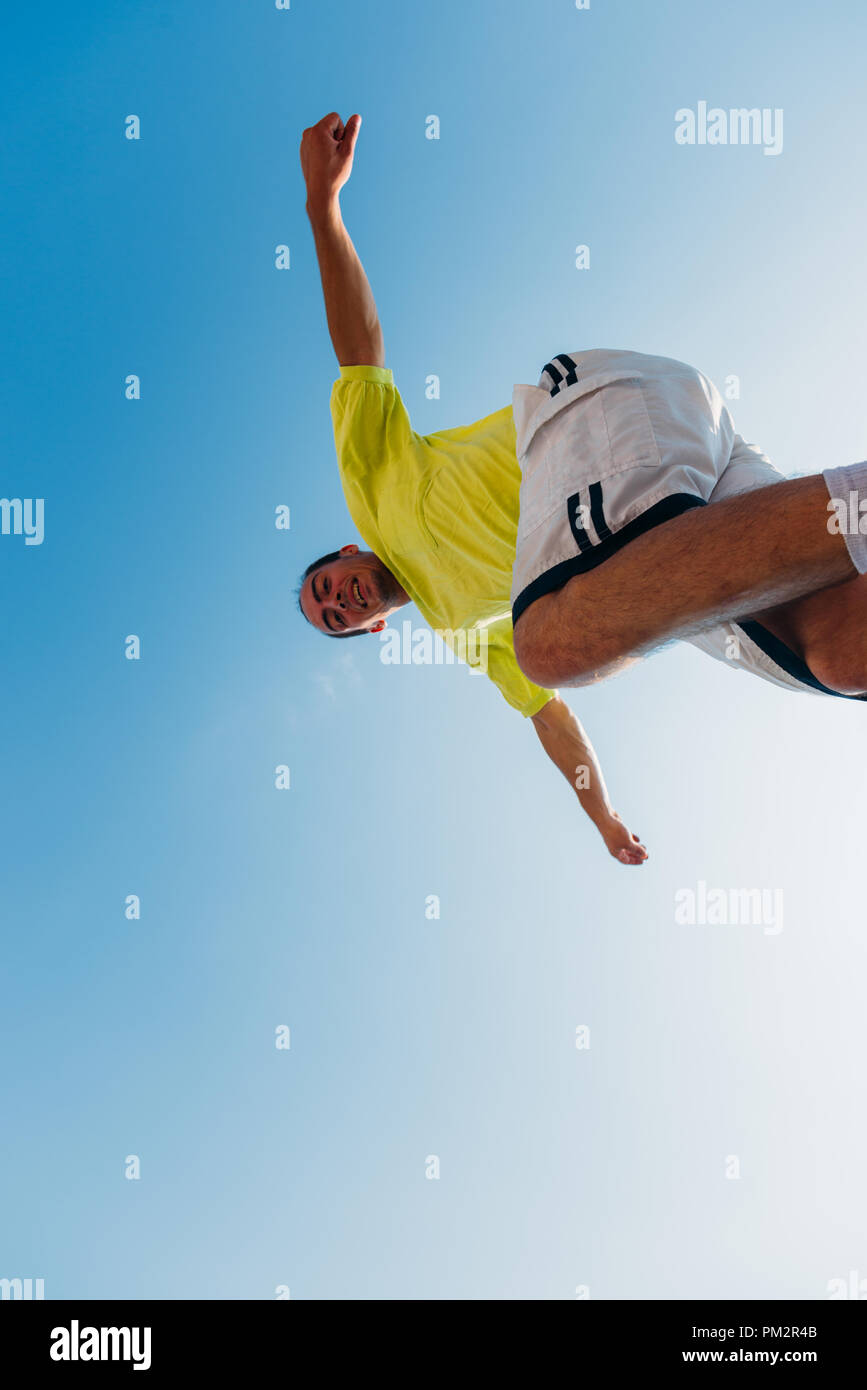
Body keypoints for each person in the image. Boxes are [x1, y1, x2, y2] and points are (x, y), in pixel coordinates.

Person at [297, 112, 866, 864]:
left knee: (550, 642)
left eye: (329, 588)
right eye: (337, 618)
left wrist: (322, 206)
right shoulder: (465, 634)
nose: (342, 601)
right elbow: (551, 723)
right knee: (833, 650)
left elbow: (359, 351)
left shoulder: (372, 487)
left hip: (596, 420)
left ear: (346, 553)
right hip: (694, 493)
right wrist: (601, 816)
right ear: (368, 632)